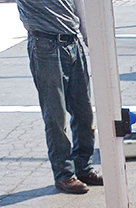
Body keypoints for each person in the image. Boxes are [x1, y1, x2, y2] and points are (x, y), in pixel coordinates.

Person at [16, 0, 103, 194]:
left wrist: (89, 40)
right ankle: (64, 174)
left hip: (72, 42)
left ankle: (84, 167)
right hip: (44, 44)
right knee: (55, 116)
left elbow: (80, 5)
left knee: (84, 111)